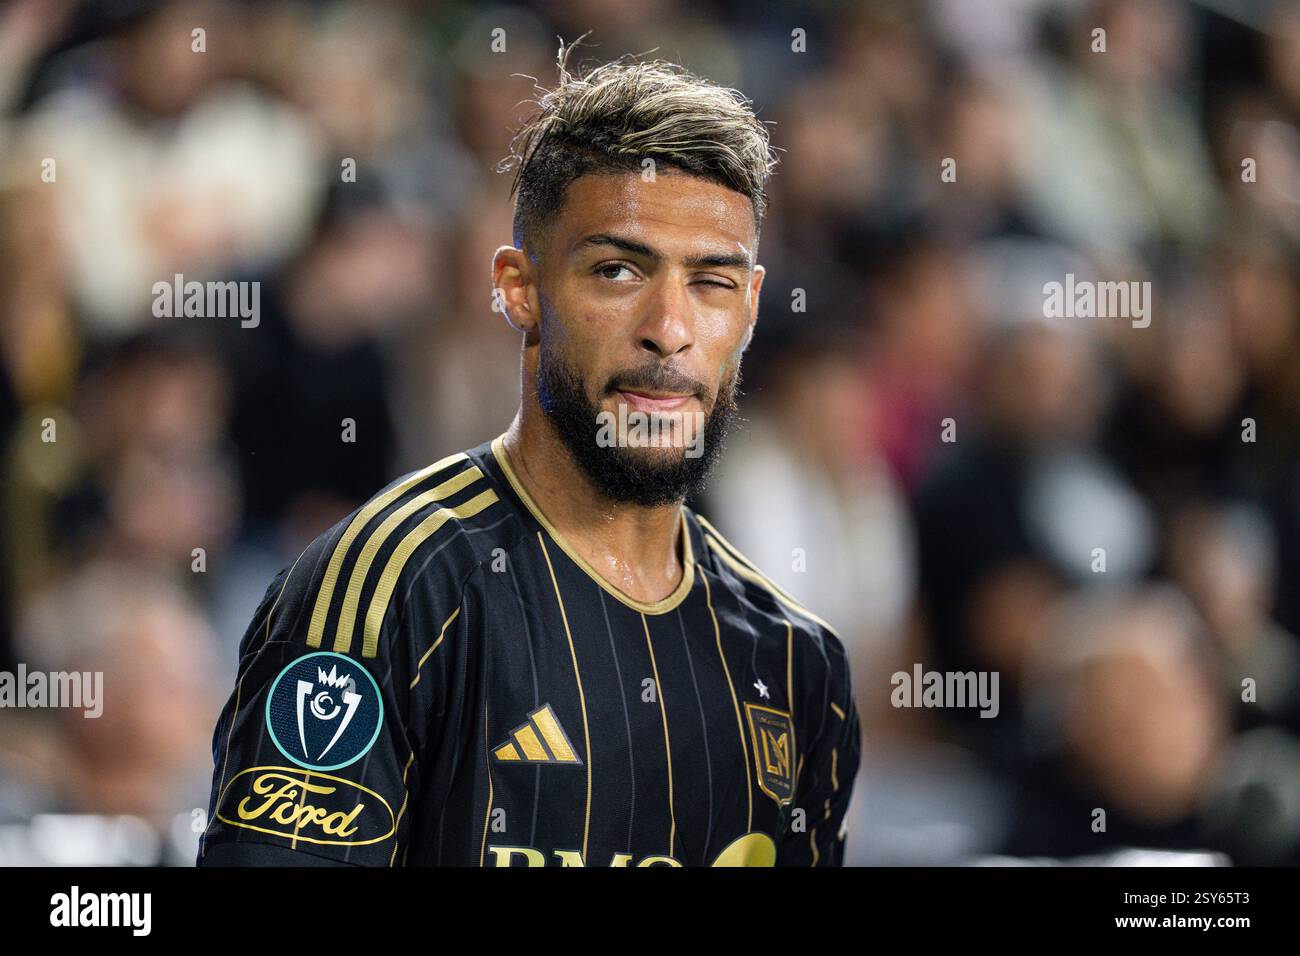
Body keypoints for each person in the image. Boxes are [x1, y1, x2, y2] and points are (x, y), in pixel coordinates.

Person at [198, 47, 860, 867]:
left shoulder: (797, 663)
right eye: (619, 270)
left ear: (752, 307)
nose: (670, 328)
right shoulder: (386, 588)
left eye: (711, 283)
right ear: (520, 287)